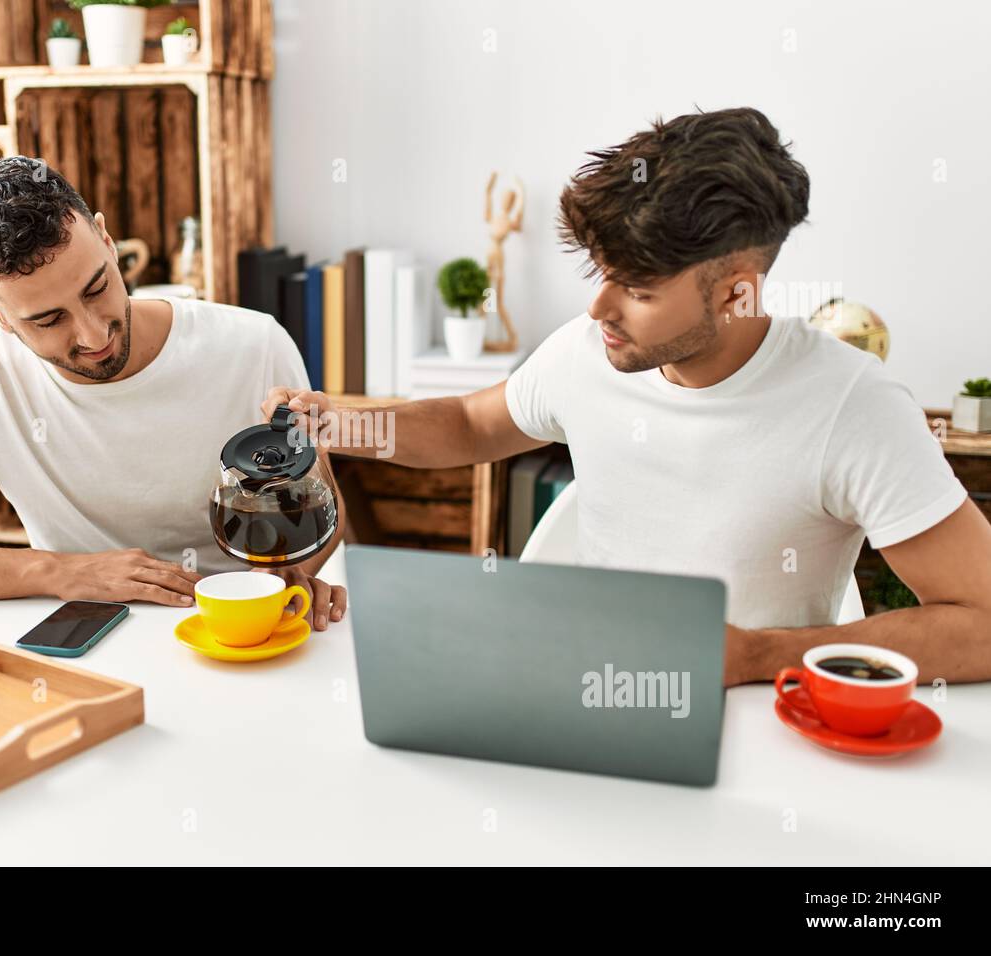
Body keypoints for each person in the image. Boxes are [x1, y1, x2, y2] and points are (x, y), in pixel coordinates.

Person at [264, 107, 991, 683]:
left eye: (638, 290)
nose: (598, 309)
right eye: (602, 273)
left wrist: (759, 658)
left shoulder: (853, 407)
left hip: (755, 723)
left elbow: (981, 621)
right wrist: (336, 424)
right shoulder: (588, 354)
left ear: (738, 290)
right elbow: (466, 425)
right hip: (582, 689)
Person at [0, 156, 348, 631]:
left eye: (97, 288)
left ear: (108, 242)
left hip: (248, 631)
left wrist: (293, 574)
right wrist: (59, 572)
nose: (94, 335)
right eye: (48, 319)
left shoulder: (253, 344)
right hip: (90, 644)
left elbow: (322, 504)